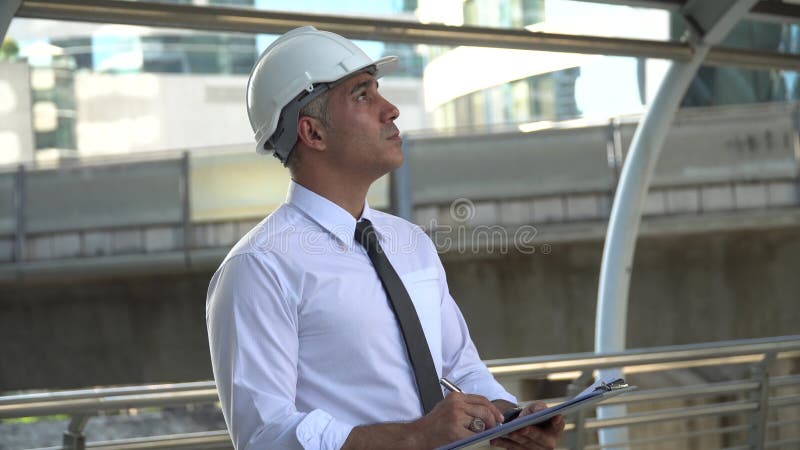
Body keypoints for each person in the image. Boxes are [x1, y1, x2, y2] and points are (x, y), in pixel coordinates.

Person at [206, 26, 564, 450]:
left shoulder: (411, 243)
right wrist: (414, 437)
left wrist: (510, 418)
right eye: (362, 95)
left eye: (379, 90)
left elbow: (460, 367)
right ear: (313, 133)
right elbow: (265, 436)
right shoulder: (258, 268)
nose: (391, 109)